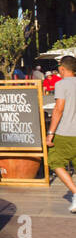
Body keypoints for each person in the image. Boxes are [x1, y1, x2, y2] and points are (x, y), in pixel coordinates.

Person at [46, 56, 76, 212]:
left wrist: (50, 133)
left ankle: (75, 193)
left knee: (55, 161)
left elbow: (59, 109)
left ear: (63, 69)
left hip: (65, 132)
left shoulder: (61, 84)